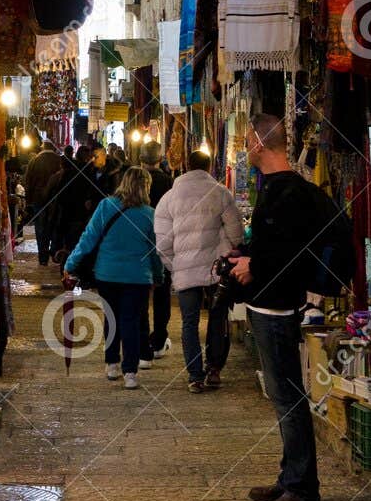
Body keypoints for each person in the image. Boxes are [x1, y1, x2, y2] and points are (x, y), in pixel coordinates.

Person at [229, 113, 324, 501]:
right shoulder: (279, 187)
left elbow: (290, 253)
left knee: (288, 398)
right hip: (268, 303)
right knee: (283, 396)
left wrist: (254, 265)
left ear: (257, 142)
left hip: (277, 307)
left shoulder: (289, 192)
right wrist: (246, 258)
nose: (243, 147)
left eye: (246, 140)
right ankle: (290, 478)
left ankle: (302, 491)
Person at [65, 163, 162, 389]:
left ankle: (112, 364)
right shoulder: (150, 214)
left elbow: (88, 238)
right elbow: (154, 251)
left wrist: (70, 263)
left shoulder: (105, 206)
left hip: (107, 274)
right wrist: (158, 276)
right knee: (131, 321)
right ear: (145, 187)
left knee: (111, 318)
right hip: (138, 277)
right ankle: (130, 372)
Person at [155, 148, 243, 392]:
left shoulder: (168, 198)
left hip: (185, 271)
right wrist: (229, 249)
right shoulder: (221, 192)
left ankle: (194, 376)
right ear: (209, 166)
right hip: (217, 269)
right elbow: (236, 233)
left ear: (186, 165)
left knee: (189, 322)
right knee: (217, 318)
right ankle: (213, 369)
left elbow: (162, 245)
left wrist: (176, 267)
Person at [140, 140, 175, 361]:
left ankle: (143, 345)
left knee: (141, 294)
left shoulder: (134, 181)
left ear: (141, 159)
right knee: (162, 293)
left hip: (140, 244)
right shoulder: (169, 182)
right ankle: (159, 340)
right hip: (163, 243)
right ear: (160, 159)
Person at [24, 137, 64, 265]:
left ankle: (43, 256)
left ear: (43, 147)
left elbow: (28, 182)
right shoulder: (59, 160)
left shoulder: (34, 161)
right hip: (55, 199)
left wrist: (28, 200)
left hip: (38, 199)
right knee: (54, 225)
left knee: (40, 227)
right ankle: (53, 251)